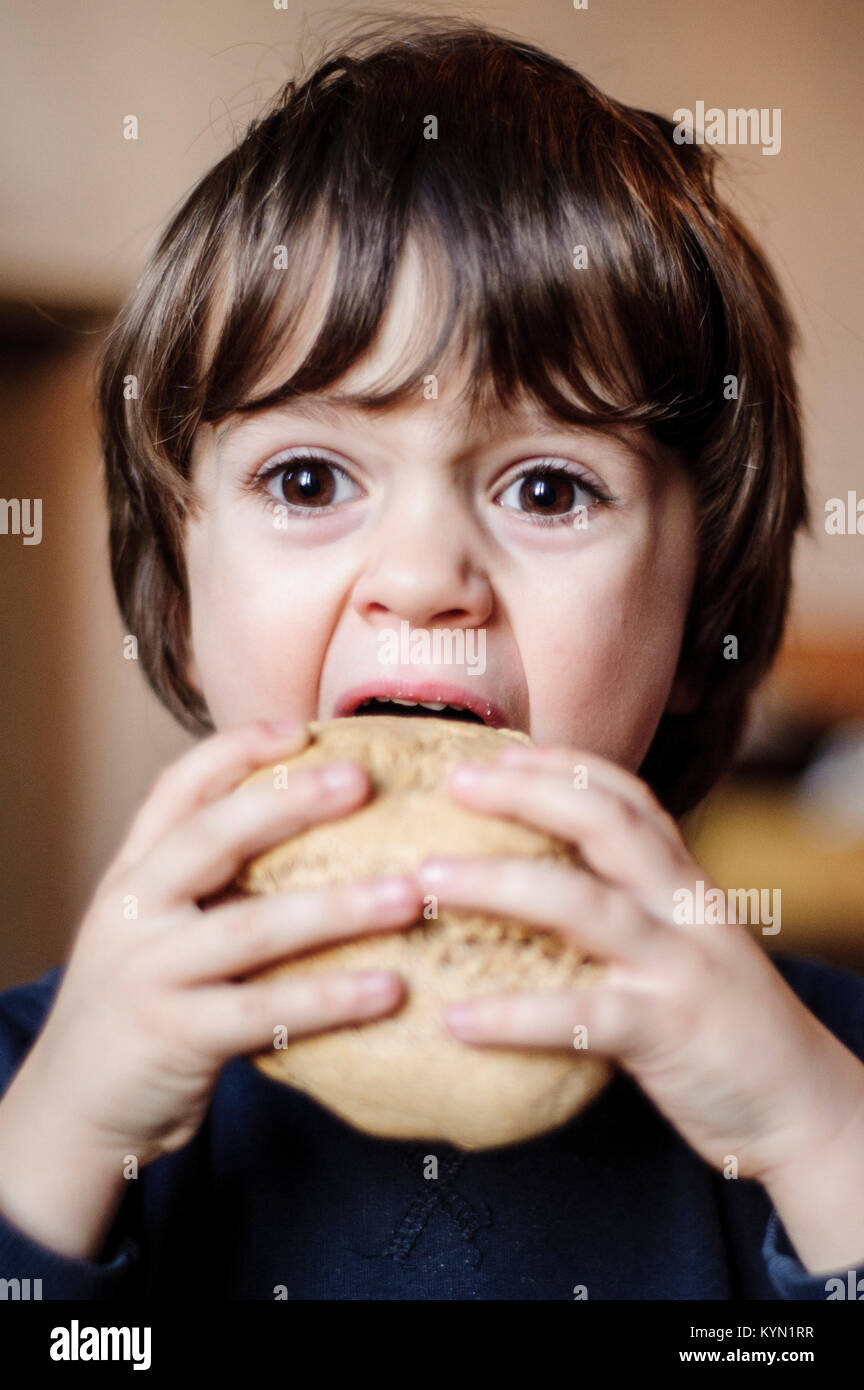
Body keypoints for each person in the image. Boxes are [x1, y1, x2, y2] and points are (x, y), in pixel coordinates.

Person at [1, 17, 862, 1300]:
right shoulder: (44, 1077)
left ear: (699, 612)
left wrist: (816, 1140)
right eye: (307, 475)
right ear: (178, 596)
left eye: (552, 489)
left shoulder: (815, 1072)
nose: (422, 576)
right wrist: (58, 1156)